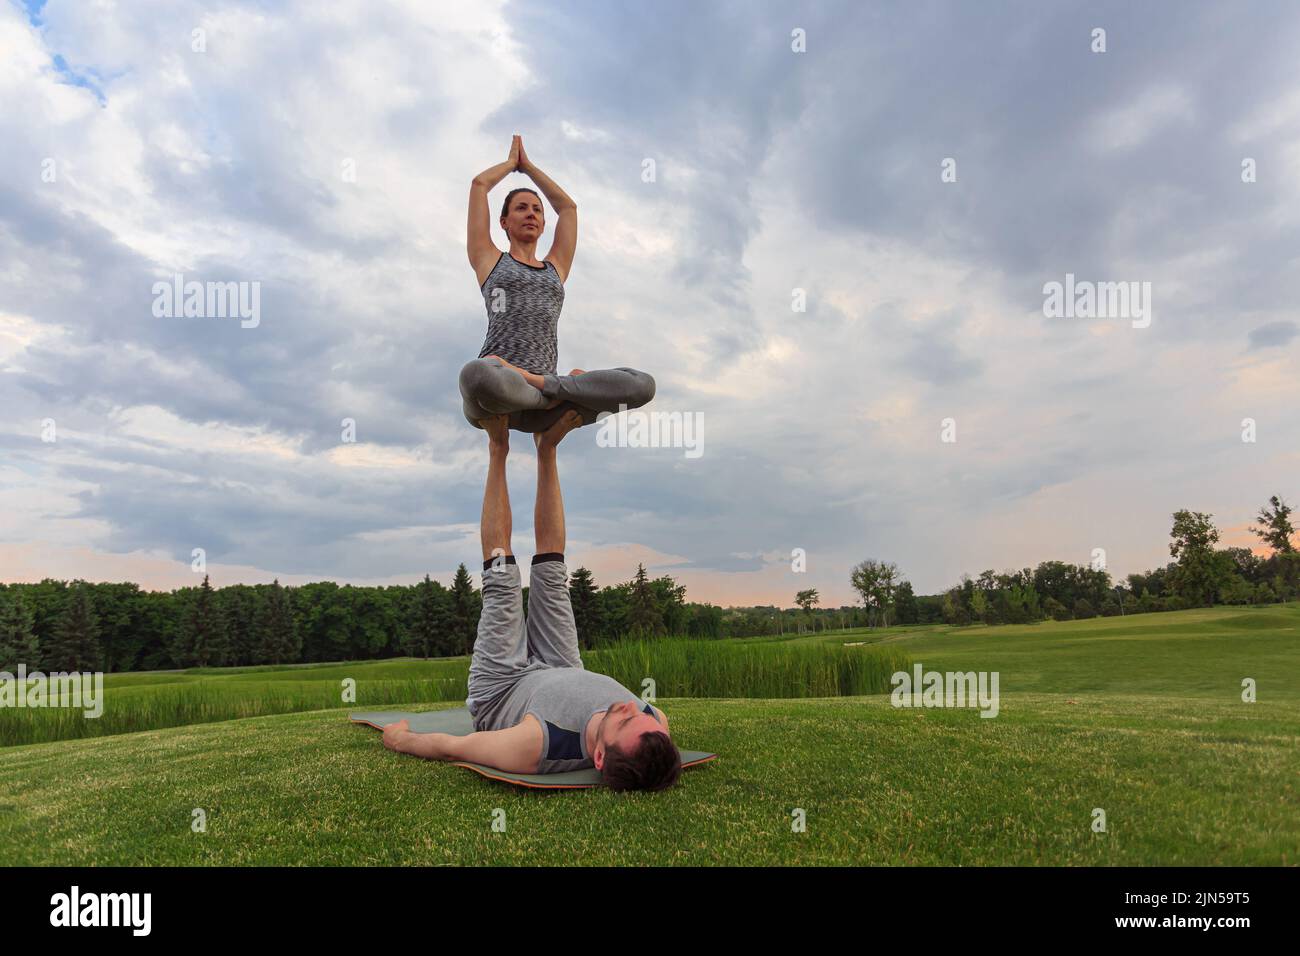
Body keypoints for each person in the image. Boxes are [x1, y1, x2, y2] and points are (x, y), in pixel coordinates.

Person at [382, 409, 682, 791]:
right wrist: (639, 720)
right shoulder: (654, 724)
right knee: (553, 568)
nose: (630, 706)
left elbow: (451, 747)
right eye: (641, 714)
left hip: (503, 686)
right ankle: (547, 448)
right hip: (564, 665)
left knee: (502, 574)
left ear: (600, 756)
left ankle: (498, 445)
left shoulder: (537, 745)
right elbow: (644, 720)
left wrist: (399, 738)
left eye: (623, 721)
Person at [460, 135, 656, 433]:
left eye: (537, 210)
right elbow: (479, 185)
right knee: (476, 373)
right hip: (504, 389)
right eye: (521, 208)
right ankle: (558, 390)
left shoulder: (555, 268)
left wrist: (531, 168)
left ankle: (553, 388)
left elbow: (568, 208)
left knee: (642, 384)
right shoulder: (489, 260)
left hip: (545, 393)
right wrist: (512, 165)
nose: (531, 214)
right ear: (504, 222)